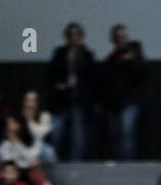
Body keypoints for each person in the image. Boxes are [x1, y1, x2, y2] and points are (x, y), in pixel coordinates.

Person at [47, 22, 96, 161]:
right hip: (60, 100)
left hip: (79, 101)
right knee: (55, 132)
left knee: (78, 136)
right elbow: (51, 76)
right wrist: (59, 85)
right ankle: (53, 161)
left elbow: (92, 79)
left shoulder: (87, 55)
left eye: (77, 35)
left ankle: (76, 164)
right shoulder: (59, 53)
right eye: (71, 35)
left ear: (81, 37)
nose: (74, 38)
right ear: (66, 37)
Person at [97, 24, 146, 161]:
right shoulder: (111, 59)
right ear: (113, 39)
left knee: (126, 132)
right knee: (115, 135)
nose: (121, 40)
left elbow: (142, 71)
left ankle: (127, 163)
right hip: (113, 104)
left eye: (123, 37)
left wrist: (132, 60)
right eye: (117, 37)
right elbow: (106, 83)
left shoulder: (135, 51)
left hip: (130, 101)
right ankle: (119, 162)